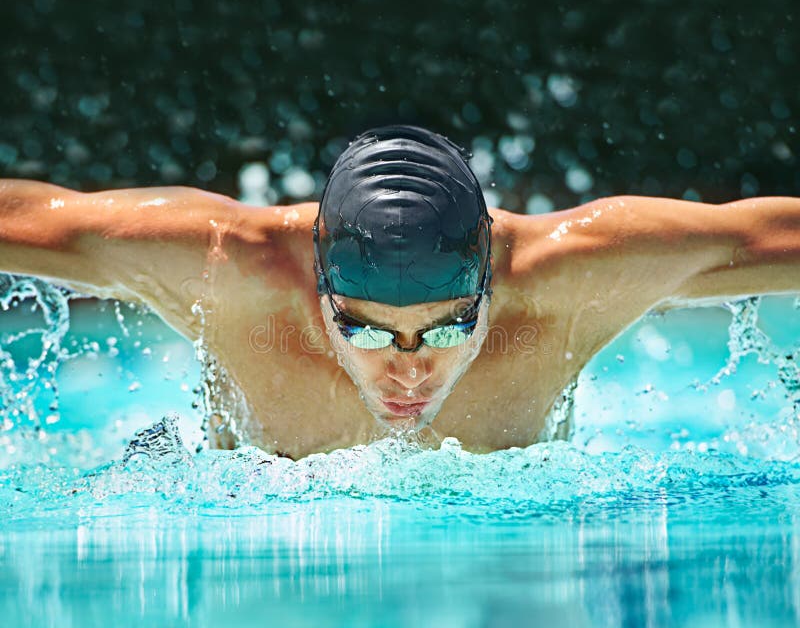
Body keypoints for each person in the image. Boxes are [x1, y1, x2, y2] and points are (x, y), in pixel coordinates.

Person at [0, 125, 798, 459]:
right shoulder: (229, 269)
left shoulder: (570, 275)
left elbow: (762, 238)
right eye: (372, 335)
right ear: (319, 298)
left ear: (492, 291)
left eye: (448, 331)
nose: (408, 373)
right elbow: (30, 220)